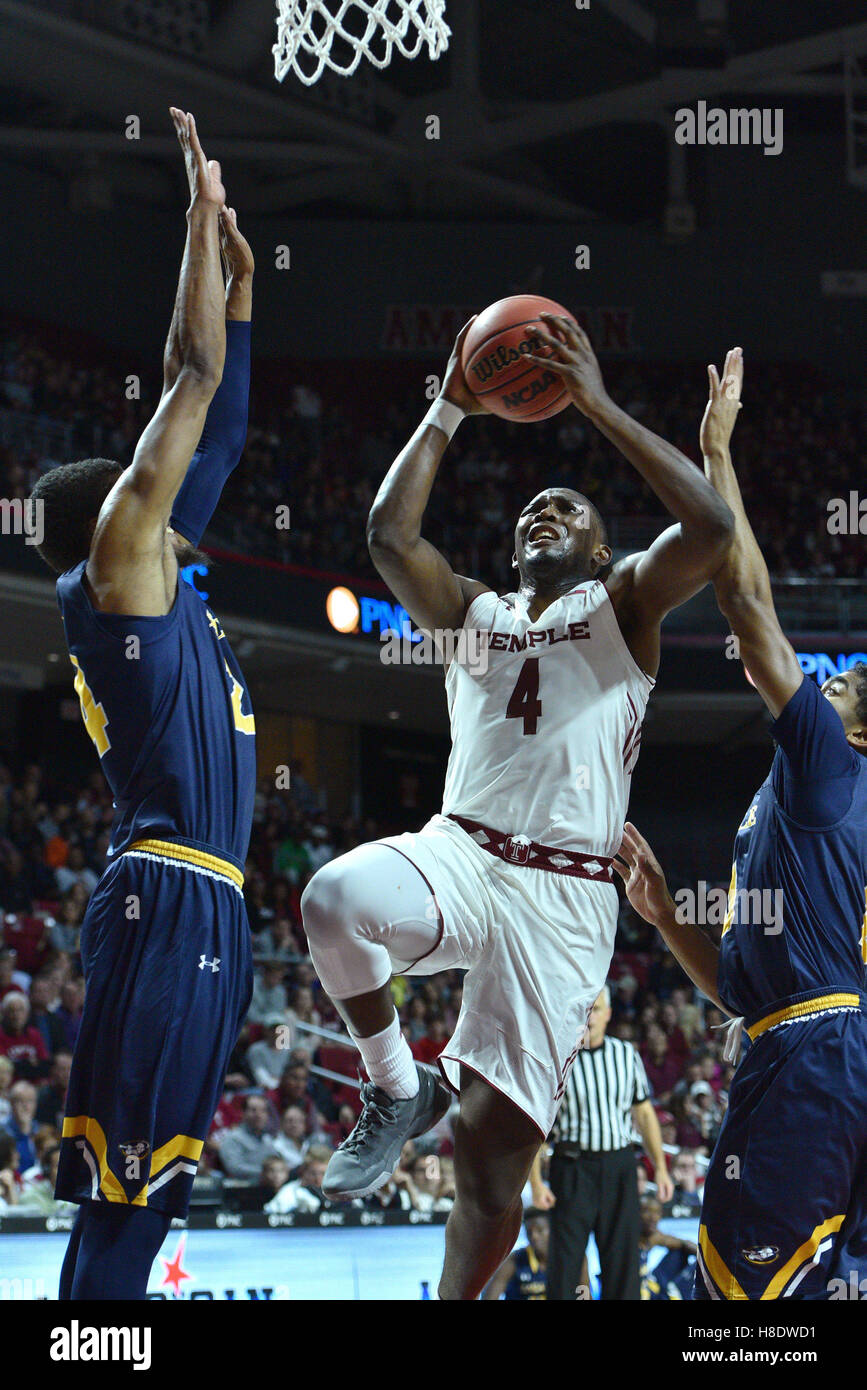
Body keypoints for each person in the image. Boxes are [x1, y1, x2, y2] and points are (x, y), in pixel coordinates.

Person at [301, 315, 734, 1299]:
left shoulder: (622, 606)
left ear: (599, 544)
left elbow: (710, 529)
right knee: (332, 901)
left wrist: (597, 404)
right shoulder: (471, 612)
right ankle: (395, 1089)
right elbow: (385, 535)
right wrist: (451, 401)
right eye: (532, 507)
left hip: (565, 895)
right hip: (461, 852)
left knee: (491, 1167)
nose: (544, 511)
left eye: (566, 508)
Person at [27, 110, 257, 1300]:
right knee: (124, 1191)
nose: (179, 497)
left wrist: (248, 297)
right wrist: (195, 224)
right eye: (154, 495)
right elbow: (194, 378)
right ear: (113, 520)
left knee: (153, 1188)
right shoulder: (121, 559)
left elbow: (223, 428)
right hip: (166, 891)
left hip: (205, 902)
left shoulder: (157, 575)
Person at [613, 348, 867, 1301]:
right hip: (807, 1040)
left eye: (836, 685)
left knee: (749, 1309)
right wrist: (667, 920)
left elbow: (745, 600)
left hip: (812, 1060)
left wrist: (717, 466)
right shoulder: (814, 806)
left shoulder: (829, 771)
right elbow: (744, 992)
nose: (818, 686)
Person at [531, 986, 672, 1300]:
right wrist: (537, 1183)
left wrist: (660, 1168)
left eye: (596, 1009)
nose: (589, 1017)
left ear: (608, 1014)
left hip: (619, 1165)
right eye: (584, 1010)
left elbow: (645, 1115)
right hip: (572, 1167)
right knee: (565, 1260)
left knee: (622, 1257)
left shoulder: (625, 1054)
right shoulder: (556, 1058)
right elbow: (538, 1127)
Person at [483, 1210, 549, 1301]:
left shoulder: (565, 1260)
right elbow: (490, 1296)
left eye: (539, 1230)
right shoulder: (515, 1259)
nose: (534, 1236)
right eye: (529, 1232)